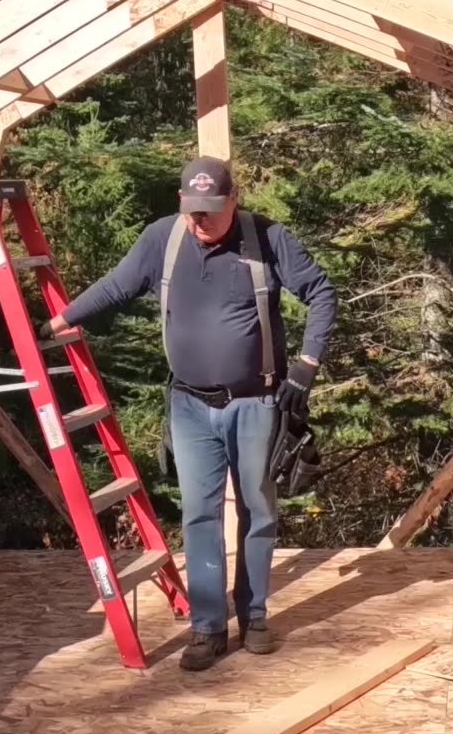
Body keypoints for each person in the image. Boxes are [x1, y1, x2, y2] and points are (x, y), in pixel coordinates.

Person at [39, 156, 338, 671]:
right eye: (194, 212)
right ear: (182, 204)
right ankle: (207, 629)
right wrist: (59, 321)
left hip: (256, 401)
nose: (202, 222)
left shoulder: (266, 239)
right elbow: (116, 285)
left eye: (212, 212)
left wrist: (305, 367)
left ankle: (255, 617)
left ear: (233, 200)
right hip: (190, 405)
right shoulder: (164, 239)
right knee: (198, 514)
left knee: (257, 511)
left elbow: (321, 293)